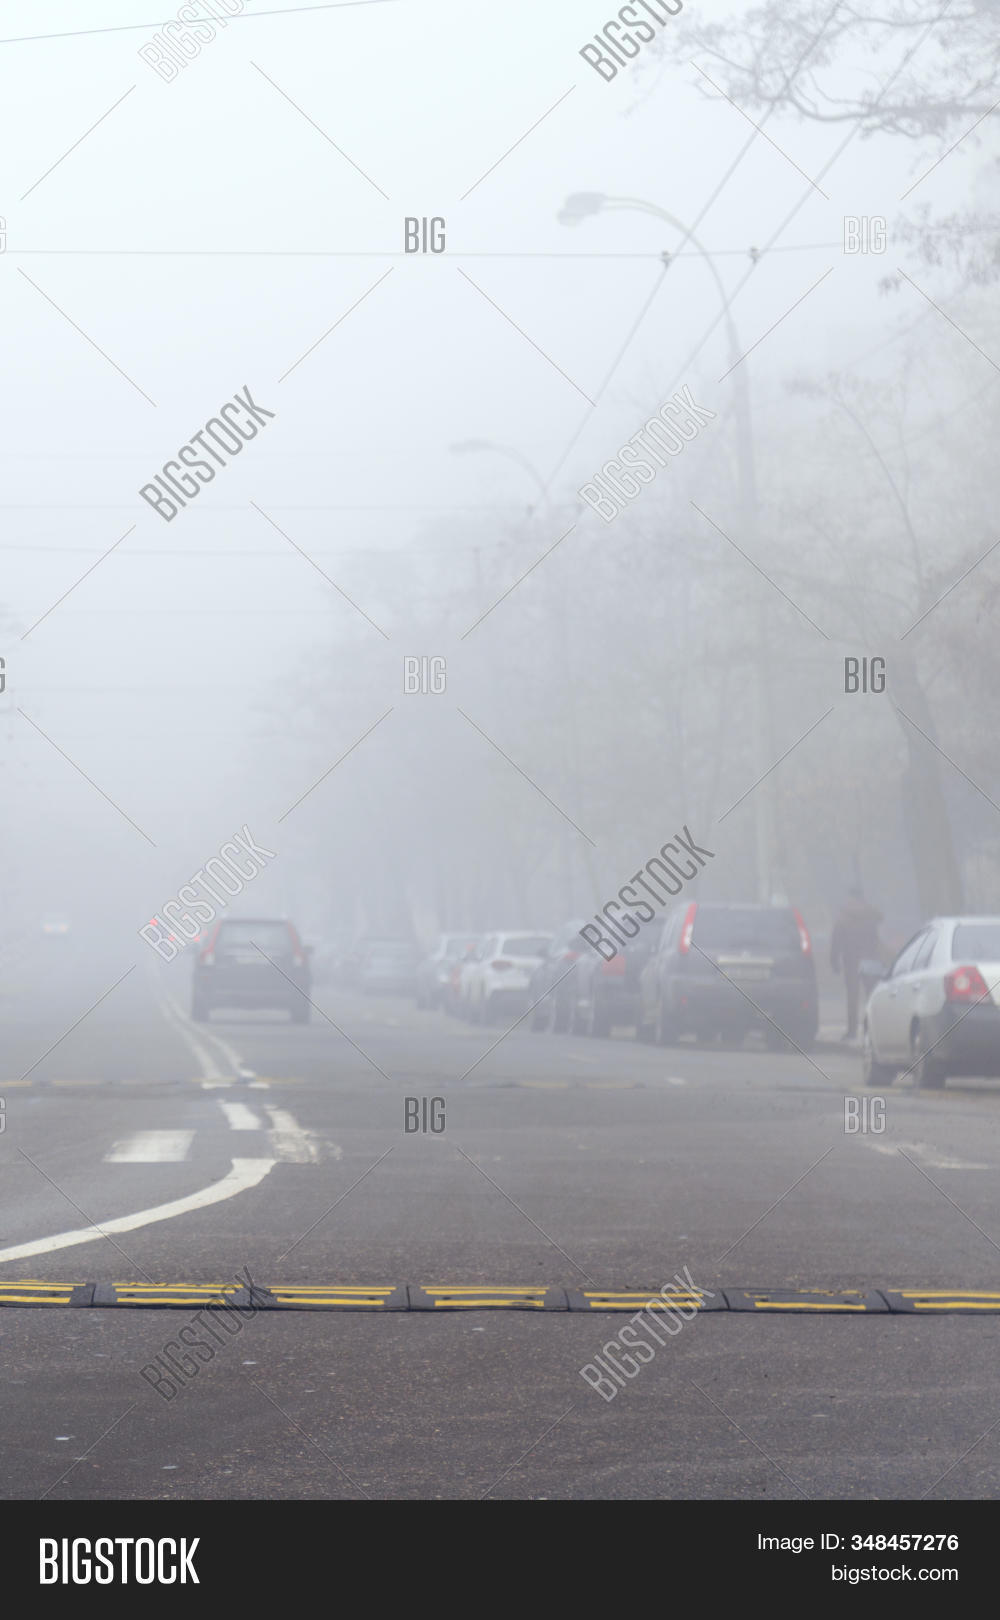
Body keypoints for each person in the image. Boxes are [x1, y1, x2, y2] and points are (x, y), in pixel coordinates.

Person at [830, 888, 883, 1041]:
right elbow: (880, 919)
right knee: (871, 995)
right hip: (870, 960)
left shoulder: (843, 916)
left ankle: (852, 1031)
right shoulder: (870, 914)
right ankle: (872, 1029)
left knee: (852, 997)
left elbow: (836, 940)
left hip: (851, 961)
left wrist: (834, 961)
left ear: (850, 897)